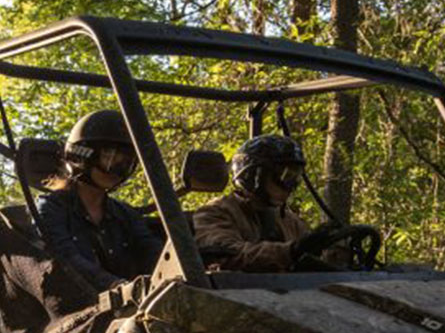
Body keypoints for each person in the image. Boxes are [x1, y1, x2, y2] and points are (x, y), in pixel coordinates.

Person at [35, 109, 164, 290]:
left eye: (126, 163)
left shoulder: (124, 213)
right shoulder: (51, 208)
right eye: (110, 158)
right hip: (73, 309)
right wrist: (116, 286)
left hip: (130, 307)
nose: (118, 170)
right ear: (81, 156)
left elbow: (151, 250)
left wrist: (173, 273)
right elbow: (65, 257)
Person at [193, 134, 314, 271]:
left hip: (291, 291)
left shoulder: (290, 221)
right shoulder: (215, 213)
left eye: (295, 178)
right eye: (284, 176)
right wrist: (290, 252)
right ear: (253, 176)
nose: (290, 186)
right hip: (234, 290)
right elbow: (226, 254)